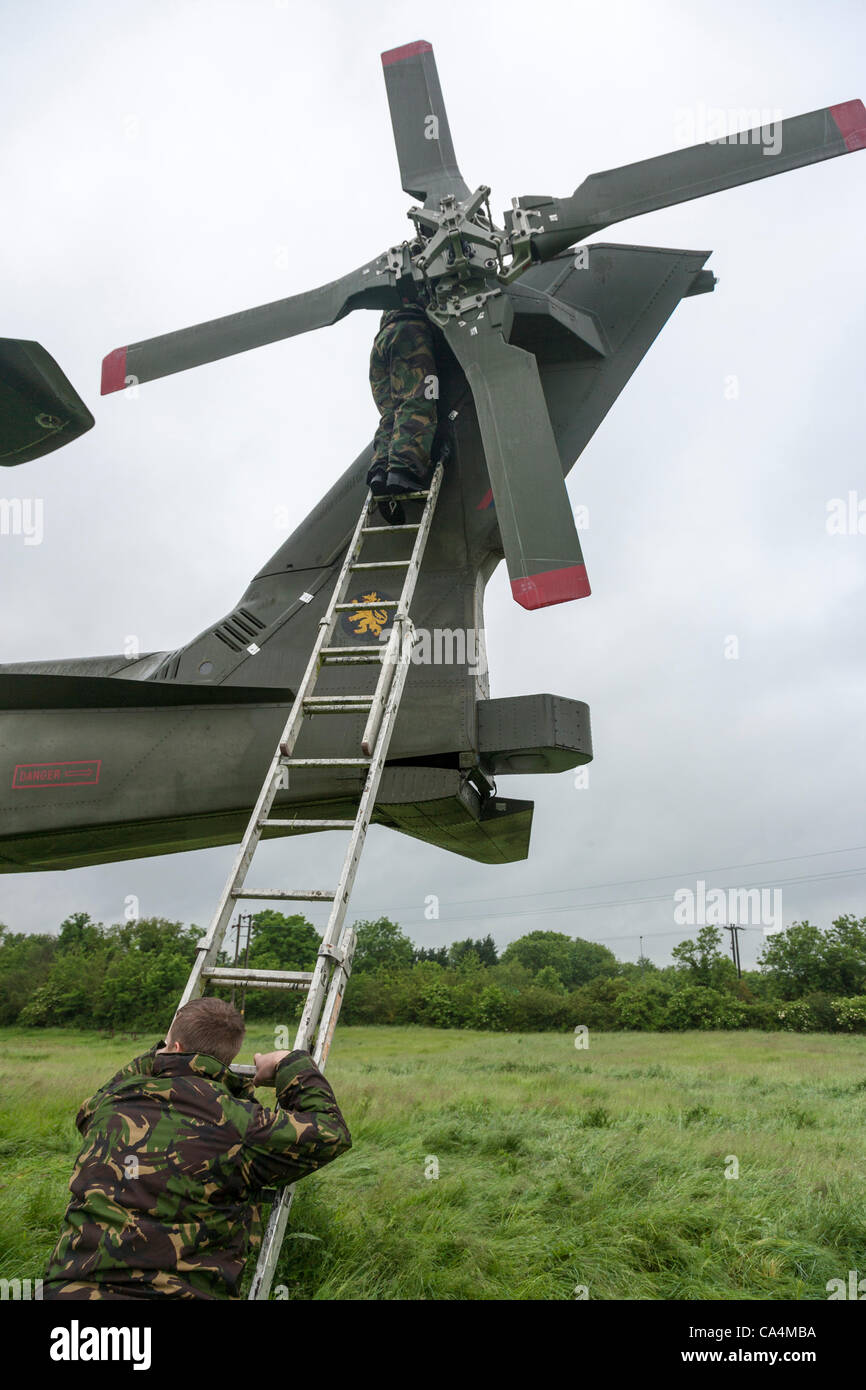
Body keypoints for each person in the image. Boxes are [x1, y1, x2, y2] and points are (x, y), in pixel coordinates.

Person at [42, 996, 351, 1300]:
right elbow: (330, 1132)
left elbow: (86, 1112)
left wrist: (159, 1057)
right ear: (228, 1059)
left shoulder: (110, 1104)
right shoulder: (242, 1122)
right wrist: (288, 1061)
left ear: (173, 1048)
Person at [367, 297, 439, 506]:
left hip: (382, 342)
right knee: (418, 400)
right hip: (410, 334)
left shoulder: (396, 282)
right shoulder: (427, 269)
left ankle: (380, 470)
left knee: (391, 415)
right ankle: (402, 470)